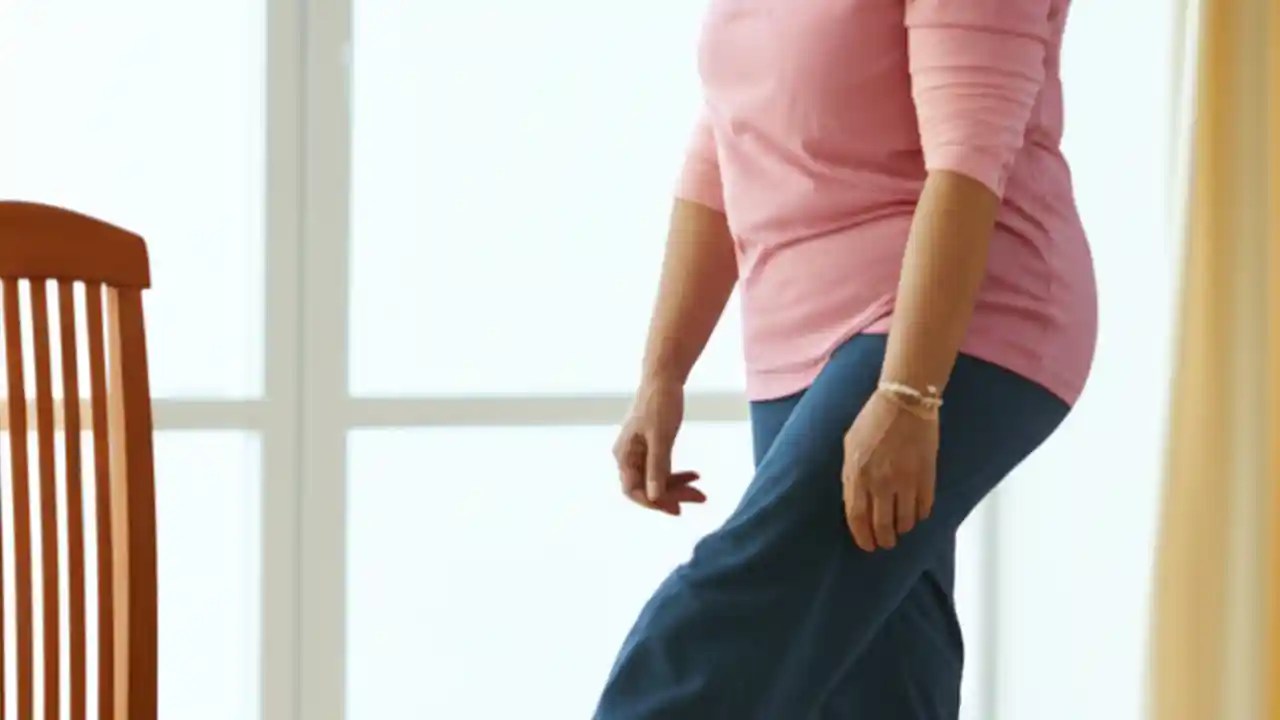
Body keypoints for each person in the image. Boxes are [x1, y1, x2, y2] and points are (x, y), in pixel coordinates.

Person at [595, 0, 1097, 717]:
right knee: (874, 672)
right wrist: (661, 374)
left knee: (730, 617)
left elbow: (967, 161)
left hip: (959, 326)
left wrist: (909, 392)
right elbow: (725, 139)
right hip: (794, 340)